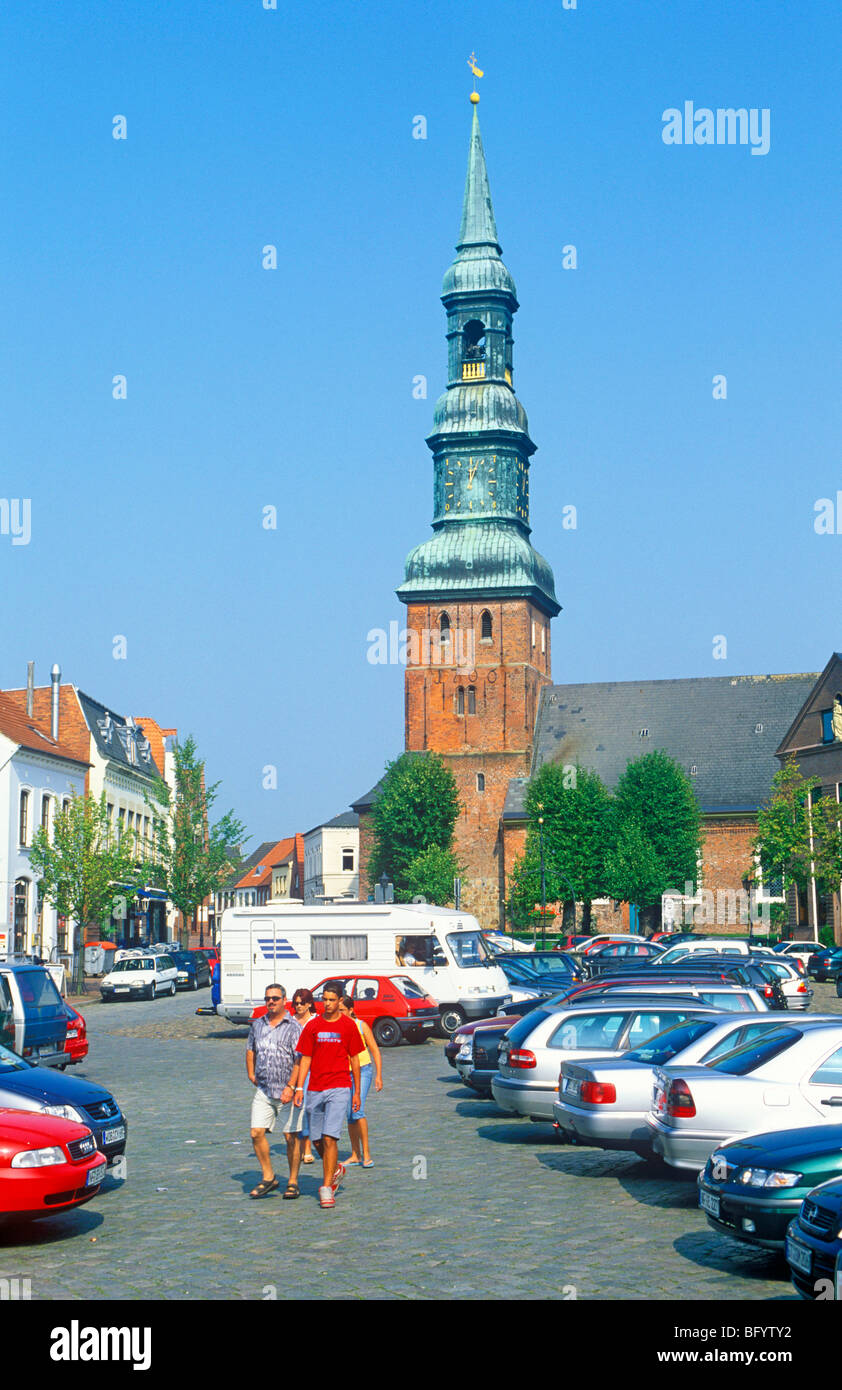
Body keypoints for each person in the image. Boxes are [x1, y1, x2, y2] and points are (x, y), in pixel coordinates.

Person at [293, 981, 363, 1208]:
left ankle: (326, 1187)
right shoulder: (313, 1026)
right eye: (324, 999)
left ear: (340, 1000)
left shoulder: (348, 1026)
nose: (328, 1004)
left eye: (332, 1000)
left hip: (340, 1086)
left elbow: (355, 1059)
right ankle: (336, 1169)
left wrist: (357, 1092)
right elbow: (305, 1058)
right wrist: (299, 1087)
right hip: (315, 1088)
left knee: (330, 1137)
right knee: (316, 1139)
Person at [246, 984, 302, 1198]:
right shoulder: (258, 1024)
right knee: (256, 1132)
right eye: (268, 998)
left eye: (275, 998)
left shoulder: (294, 1026)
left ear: (284, 1000)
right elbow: (250, 1049)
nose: (271, 1002)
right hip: (264, 1089)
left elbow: (300, 1059)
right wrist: (251, 1073)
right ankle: (268, 1177)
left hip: (287, 1091)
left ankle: (293, 1181)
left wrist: (292, 1086)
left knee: (291, 1137)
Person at [338, 995, 382, 1167]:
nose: (340, 1014)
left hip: (363, 1070)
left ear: (351, 1010)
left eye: (342, 1010)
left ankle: (367, 1154)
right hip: (345, 1073)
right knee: (349, 1114)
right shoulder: (337, 1026)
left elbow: (375, 1051)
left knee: (358, 1110)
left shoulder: (361, 1026)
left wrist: (379, 1075)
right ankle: (355, 1154)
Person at [286, 989, 317, 1171]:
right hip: (296, 1068)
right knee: (302, 1107)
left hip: (315, 1068)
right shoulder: (290, 1022)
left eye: (302, 1003)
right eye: (296, 1003)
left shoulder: (316, 1020)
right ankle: (305, 1147)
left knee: (313, 1108)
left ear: (309, 1004)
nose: (298, 1006)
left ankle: (316, 1141)